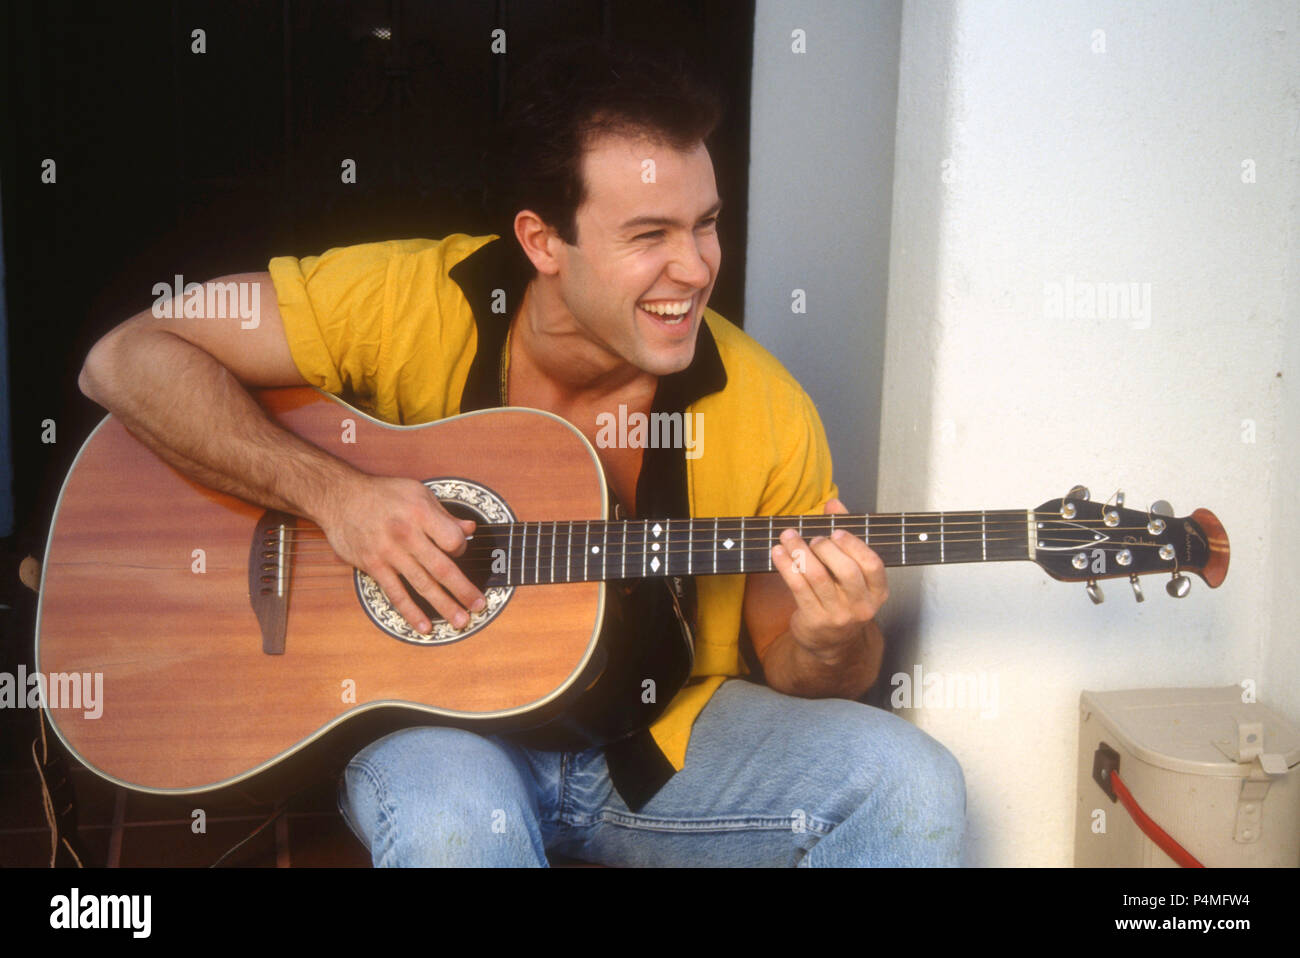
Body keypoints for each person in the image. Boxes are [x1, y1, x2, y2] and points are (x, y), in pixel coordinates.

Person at [77, 40, 966, 867]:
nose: (696, 268)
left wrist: (833, 639)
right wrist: (334, 495)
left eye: (707, 224)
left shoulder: (763, 404)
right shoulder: (411, 300)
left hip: (664, 746)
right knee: (452, 824)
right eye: (650, 235)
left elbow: (800, 671)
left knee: (907, 781)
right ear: (542, 241)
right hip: (439, 735)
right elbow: (124, 360)